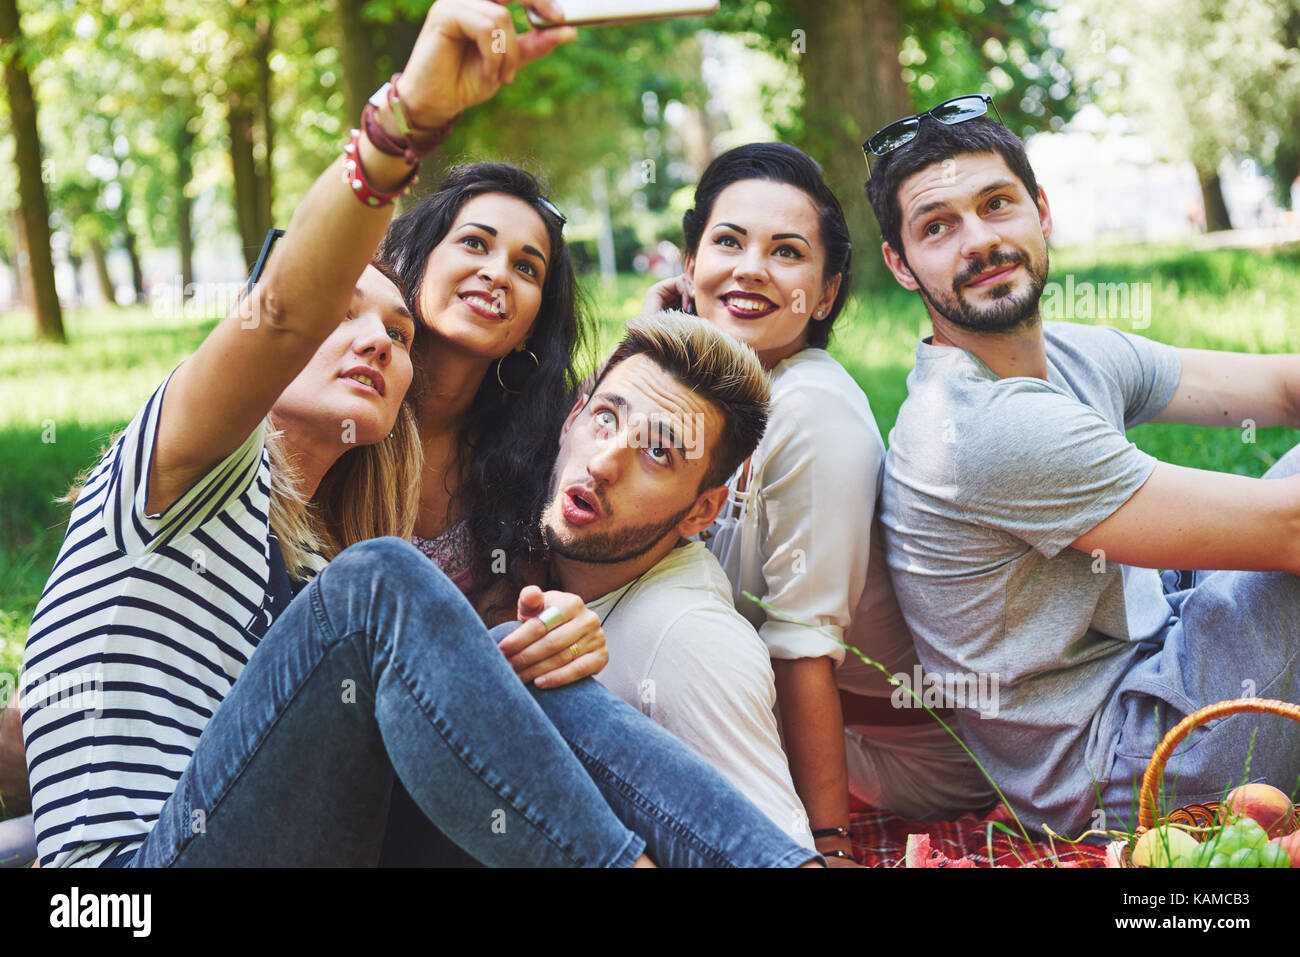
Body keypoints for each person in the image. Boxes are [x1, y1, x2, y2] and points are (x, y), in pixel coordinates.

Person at [18, 0, 820, 869]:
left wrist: (551, 641)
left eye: (398, 334)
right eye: (341, 311)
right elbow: (286, 309)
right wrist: (411, 115)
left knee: (504, 676)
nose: (372, 338)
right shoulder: (180, 468)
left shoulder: (319, 560)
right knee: (387, 585)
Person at [863, 93, 1300, 838]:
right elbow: (1289, 531)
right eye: (938, 227)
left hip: (1160, 649)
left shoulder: (1066, 352)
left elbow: (1279, 386)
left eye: (996, 204)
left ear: (1041, 211)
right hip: (1135, 765)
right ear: (901, 265)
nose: (978, 241)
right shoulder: (977, 428)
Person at [643, 143, 994, 859]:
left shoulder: (809, 412)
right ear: (690, 267)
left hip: (892, 756)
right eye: (728, 241)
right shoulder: (717, 404)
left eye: (786, 252)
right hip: (793, 721)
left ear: (825, 293)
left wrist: (827, 846)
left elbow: (804, 650)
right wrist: (648, 353)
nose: (749, 268)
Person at [537, 310, 814, 848]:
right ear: (573, 416)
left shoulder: (692, 641)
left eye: (658, 452)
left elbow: (775, 854)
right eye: (605, 418)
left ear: (702, 511)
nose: (603, 463)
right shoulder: (540, 544)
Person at [379, 161, 588, 627]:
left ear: (529, 331)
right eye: (475, 243)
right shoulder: (347, 397)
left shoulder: (530, 458)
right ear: (419, 258)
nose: (497, 275)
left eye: (526, 267)